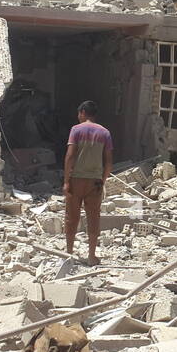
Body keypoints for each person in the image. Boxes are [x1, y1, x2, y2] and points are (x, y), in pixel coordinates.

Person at [63, 100, 112, 265]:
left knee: (72, 217)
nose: (78, 117)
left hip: (76, 179)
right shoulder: (105, 133)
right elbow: (109, 162)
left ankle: (69, 253)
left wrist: (66, 181)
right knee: (93, 218)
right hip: (95, 182)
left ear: (83, 112)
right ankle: (91, 255)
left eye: (79, 114)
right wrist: (103, 180)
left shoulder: (76, 130)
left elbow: (70, 156)